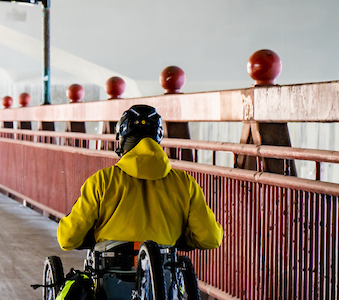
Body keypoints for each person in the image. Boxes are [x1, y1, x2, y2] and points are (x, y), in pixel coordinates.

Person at [58, 104, 222, 252]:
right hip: (162, 272)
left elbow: (67, 239)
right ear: (158, 138)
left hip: (112, 273)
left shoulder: (102, 181)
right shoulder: (185, 182)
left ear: (121, 140)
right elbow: (210, 238)